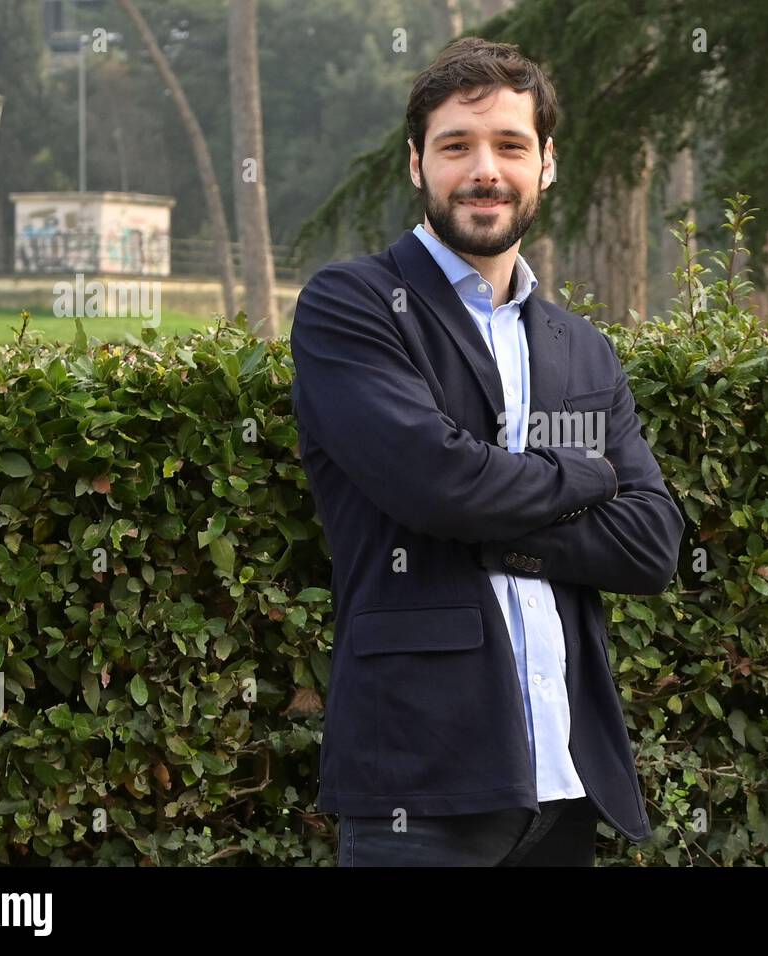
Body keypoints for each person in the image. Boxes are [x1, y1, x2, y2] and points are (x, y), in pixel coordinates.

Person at [290, 36, 684, 866]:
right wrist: (586, 477)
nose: (484, 170)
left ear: (546, 164)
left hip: (569, 785)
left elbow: (650, 544)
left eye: (510, 145)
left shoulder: (583, 349)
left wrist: (484, 509)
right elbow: (438, 485)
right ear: (416, 164)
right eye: (456, 146)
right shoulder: (353, 307)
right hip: (421, 780)